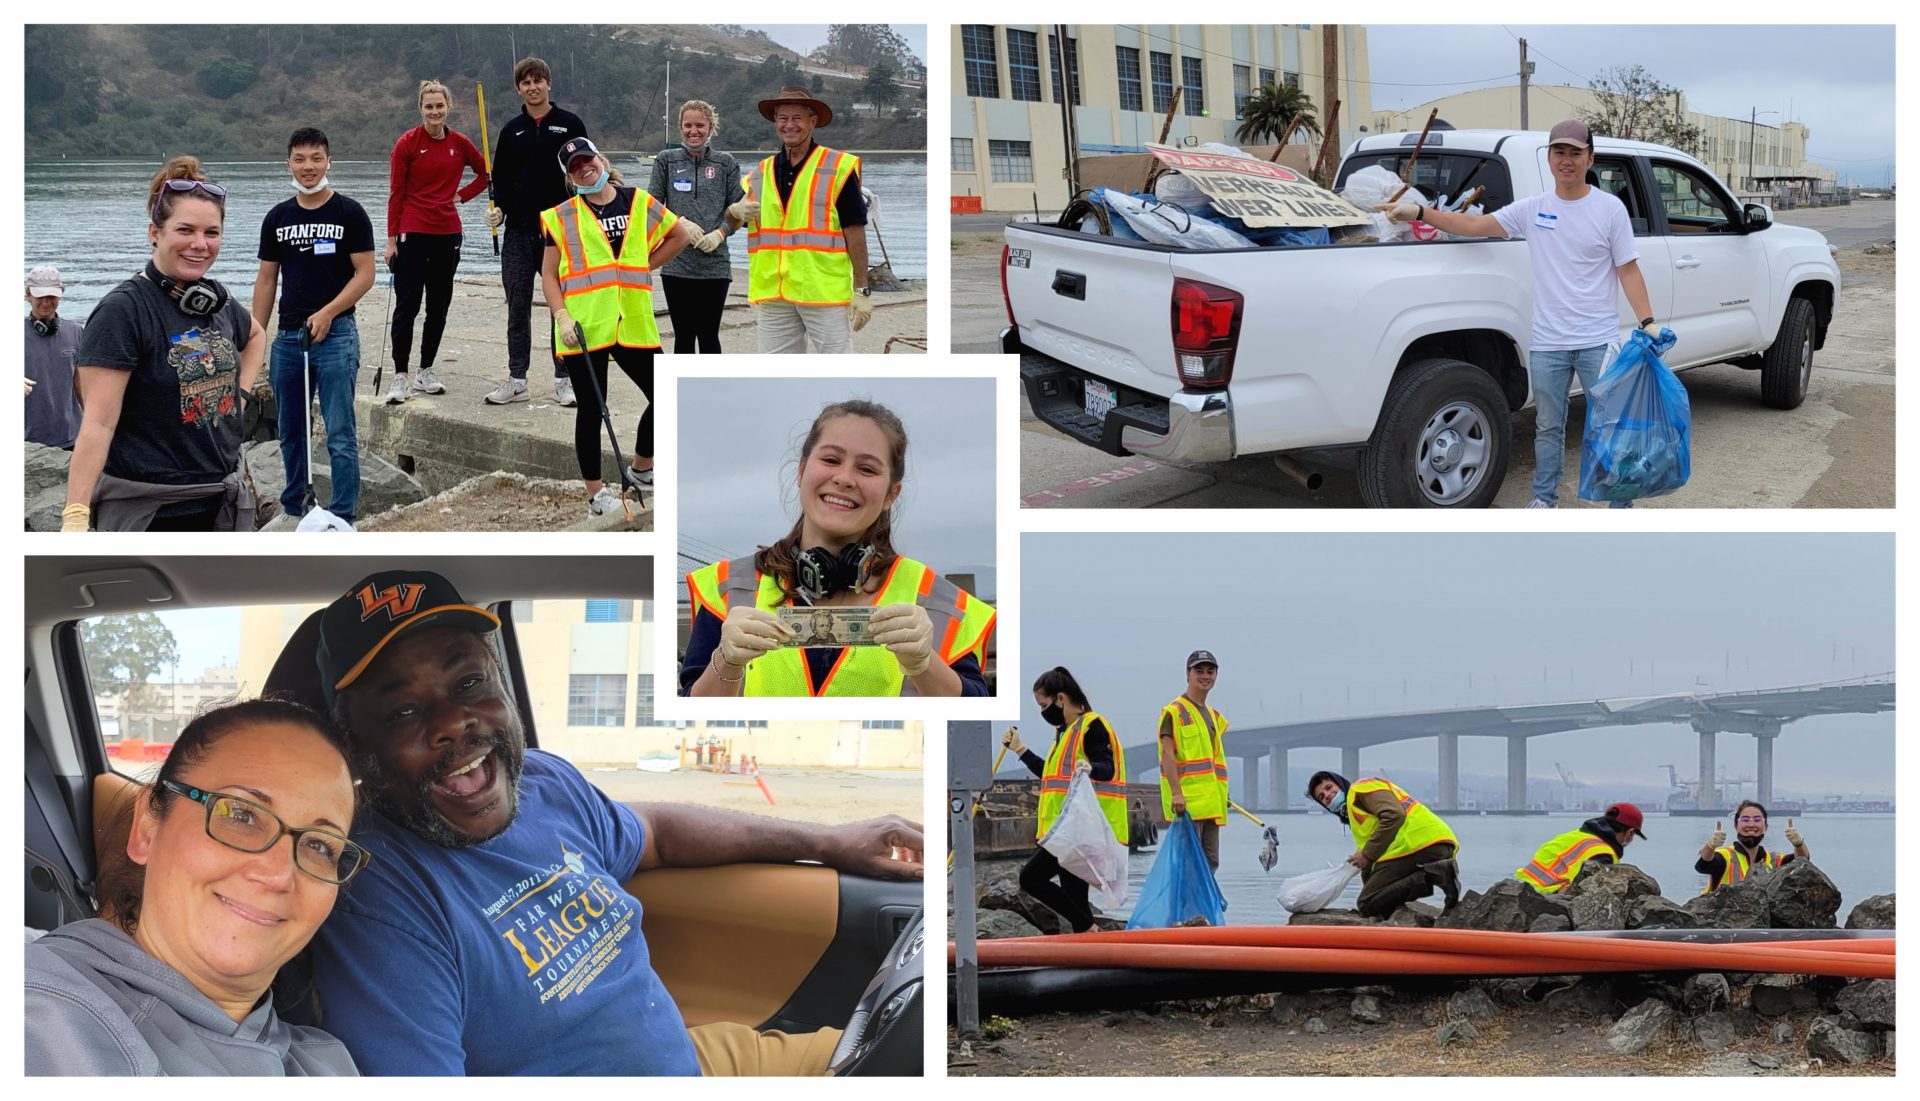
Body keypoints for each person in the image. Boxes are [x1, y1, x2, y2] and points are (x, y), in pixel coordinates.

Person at [300, 569, 923, 1075]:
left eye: (468, 681)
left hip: (696, 1059)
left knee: (901, 1054)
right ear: (354, 744)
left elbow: (654, 831)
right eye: (404, 709)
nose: (453, 722)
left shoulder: (544, 783)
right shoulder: (380, 898)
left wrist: (830, 842)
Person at [24, 699, 368, 1075]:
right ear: (147, 828)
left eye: (320, 845)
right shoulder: (44, 1014)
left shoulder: (328, 1063)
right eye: (240, 813)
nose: (278, 874)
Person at [1376, 119, 1661, 509]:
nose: (1567, 160)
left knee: (1609, 427)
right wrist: (1420, 212)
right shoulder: (1534, 209)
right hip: (1548, 343)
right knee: (1548, 427)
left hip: (1598, 340)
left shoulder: (1609, 209)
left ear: (1589, 158)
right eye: (1559, 152)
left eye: (1575, 153)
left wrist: (1648, 321)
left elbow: (1627, 269)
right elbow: (1475, 225)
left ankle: (1620, 504)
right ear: (1549, 158)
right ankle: (1544, 499)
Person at [680, 400, 995, 697]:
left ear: (891, 494)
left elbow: (972, 728)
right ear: (802, 470)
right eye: (831, 460)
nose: (844, 479)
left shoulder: (942, 606)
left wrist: (925, 664)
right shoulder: (725, 590)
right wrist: (727, 661)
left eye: (867, 469)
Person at [63, 157, 266, 532]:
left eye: (212, 232)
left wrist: (240, 395)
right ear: (154, 232)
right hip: (150, 511)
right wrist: (75, 515)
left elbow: (255, 335)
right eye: (185, 230)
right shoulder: (122, 312)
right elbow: (98, 424)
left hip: (221, 501)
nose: (200, 244)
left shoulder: (214, 301)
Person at [540, 137, 686, 516]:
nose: (584, 168)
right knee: (591, 408)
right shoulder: (561, 216)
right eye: (575, 167)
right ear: (570, 177)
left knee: (666, 394)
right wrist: (560, 316)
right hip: (583, 326)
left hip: (632, 321)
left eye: (587, 160)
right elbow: (549, 275)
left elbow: (679, 235)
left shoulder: (637, 201)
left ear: (601, 159)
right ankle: (595, 495)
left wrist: (644, 265)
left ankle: (641, 467)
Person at [252, 127, 376, 526]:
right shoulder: (278, 217)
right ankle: (295, 508)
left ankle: (343, 516)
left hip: (336, 335)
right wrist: (257, 332)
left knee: (340, 430)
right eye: (300, 159)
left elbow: (365, 274)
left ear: (329, 161)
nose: (309, 167)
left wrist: (328, 312)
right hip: (288, 339)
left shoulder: (349, 212)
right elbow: (267, 279)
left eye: (316, 158)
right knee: (290, 430)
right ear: (288, 163)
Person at [723, 87, 872, 353]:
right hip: (775, 292)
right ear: (775, 122)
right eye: (782, 118)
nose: (789, 125)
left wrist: (862, 289)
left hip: (823, 291)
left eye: (797, 118)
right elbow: (734, 222)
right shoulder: (760, 173)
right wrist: (735, 213)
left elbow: (855, 232)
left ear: (813, 122)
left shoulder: (836, 166)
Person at [486, 57, 588, 406]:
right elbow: (499, 178)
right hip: (517, 232)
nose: (533, 87)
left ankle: (564, 379)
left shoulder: (570, 124)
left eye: (538, 81)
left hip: (559, 232)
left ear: (549, 84)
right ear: (519, 88)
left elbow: (586, 170)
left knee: (560, 307)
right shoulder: (511, 130)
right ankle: (517, 378)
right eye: (526, 82)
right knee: (518, 305)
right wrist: (499, 208)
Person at [384, 79, 489, 404]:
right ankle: (400, 376)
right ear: (421, 109)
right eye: (428, 106)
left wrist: (461, 196)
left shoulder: (459, 142)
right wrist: (391, 241)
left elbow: (486, 173)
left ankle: (425, 371)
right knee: (407, 306)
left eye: (439, 106)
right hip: (412, 233)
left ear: (448, 108)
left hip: (447, 234)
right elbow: (396, 193)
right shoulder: (407, 143)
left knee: (438, 307)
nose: (434, 111)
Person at [1006, 667, 1128, 934]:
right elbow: (1048, 775)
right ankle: (1089, 944)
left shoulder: (1091, 726)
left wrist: (1091, 767)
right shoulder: (1065, 733)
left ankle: (1087, 929)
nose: (1043, 712)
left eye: (1044, 704)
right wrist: (1020, 749)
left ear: (1061, 698)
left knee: (1030, 878)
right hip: (1067, 832)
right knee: (1076, 902)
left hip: (1080, 832)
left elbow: (1107, 767)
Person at [649, 99, 744, 354]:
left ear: (711, 127)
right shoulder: (665, 161)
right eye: (688, 125)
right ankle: (682, 393)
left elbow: (739, 210)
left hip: (715, 265)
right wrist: (677, 222)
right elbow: (651, 205)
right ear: (680, 127)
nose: (694, 131)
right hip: (676, 264)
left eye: (700, 125)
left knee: (709, 335)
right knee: (683, 336)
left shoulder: (726, 163)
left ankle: (713, 392)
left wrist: (721, 232)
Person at [1307, 771, 1461, 918]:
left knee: (1366, 903)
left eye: (1329, 788)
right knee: (1375, 899)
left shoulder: (1360, 790)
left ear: (1340, 784)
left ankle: (1434, 875)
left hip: (1420, 844)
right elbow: (1372, 862)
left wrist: (1366, 855)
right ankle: (1432, 879)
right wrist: (1364, 869)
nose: (1328, 795)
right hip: (1431, 846)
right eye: (1322, 797)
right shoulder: (1355, 813)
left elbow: (1394, 815)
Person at [1157, 649, 1230, 870]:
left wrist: (1222, 795)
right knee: (1188, 864)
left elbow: (1212, 763)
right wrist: (1177, 793)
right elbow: (1167, 754)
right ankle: (1185, 905)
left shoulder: (1214, 716)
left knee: (1210, 863)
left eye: (1210, 671)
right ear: (1188, 674)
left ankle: (1202, 905)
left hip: (1211, 805)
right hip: (1187, 805)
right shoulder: (1174, 712)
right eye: (1199, 671)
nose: (1205, 676)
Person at [1515, 802, 1648, 894]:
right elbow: (1597, 892)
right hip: (1549, 898)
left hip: (1517, 889)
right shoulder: (1603, 853)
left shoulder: (1572, 836)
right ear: (1630, 832)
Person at [25, 264, 83, 448]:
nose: (46, 302)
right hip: (27, 443)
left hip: (71, 437)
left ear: (60, 295)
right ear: (27, 295)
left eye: (51, 296)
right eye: (39, 296)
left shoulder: (75, 331)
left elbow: (82, 384)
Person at [1697, 800, 1808, 892]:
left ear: (1765, 827)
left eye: (1757, 820)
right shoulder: (1725, 856)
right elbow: (1703, 865)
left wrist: (1799, 844)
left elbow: (1801, 862)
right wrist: (1711, 846)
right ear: (1736, 826)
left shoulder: (1774, 860)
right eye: (1745, 820)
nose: (1751, 825)